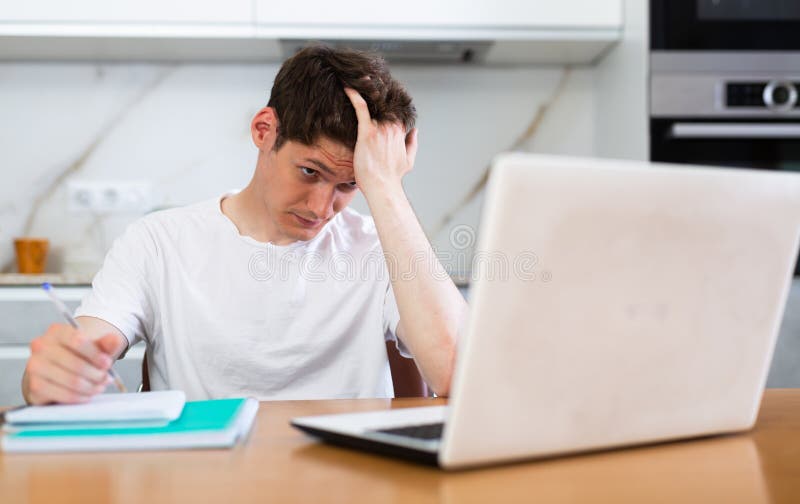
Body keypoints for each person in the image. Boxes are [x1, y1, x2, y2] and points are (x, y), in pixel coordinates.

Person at [21, 46, 468, 404]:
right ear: (264, 130)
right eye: (309, 171)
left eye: (348, 184)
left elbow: (457, 373)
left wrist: (386, 189)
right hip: (199, 479)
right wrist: (53, 373)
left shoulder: (380, 250)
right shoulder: (158, 242)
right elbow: (88, 344)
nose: (320, 206)